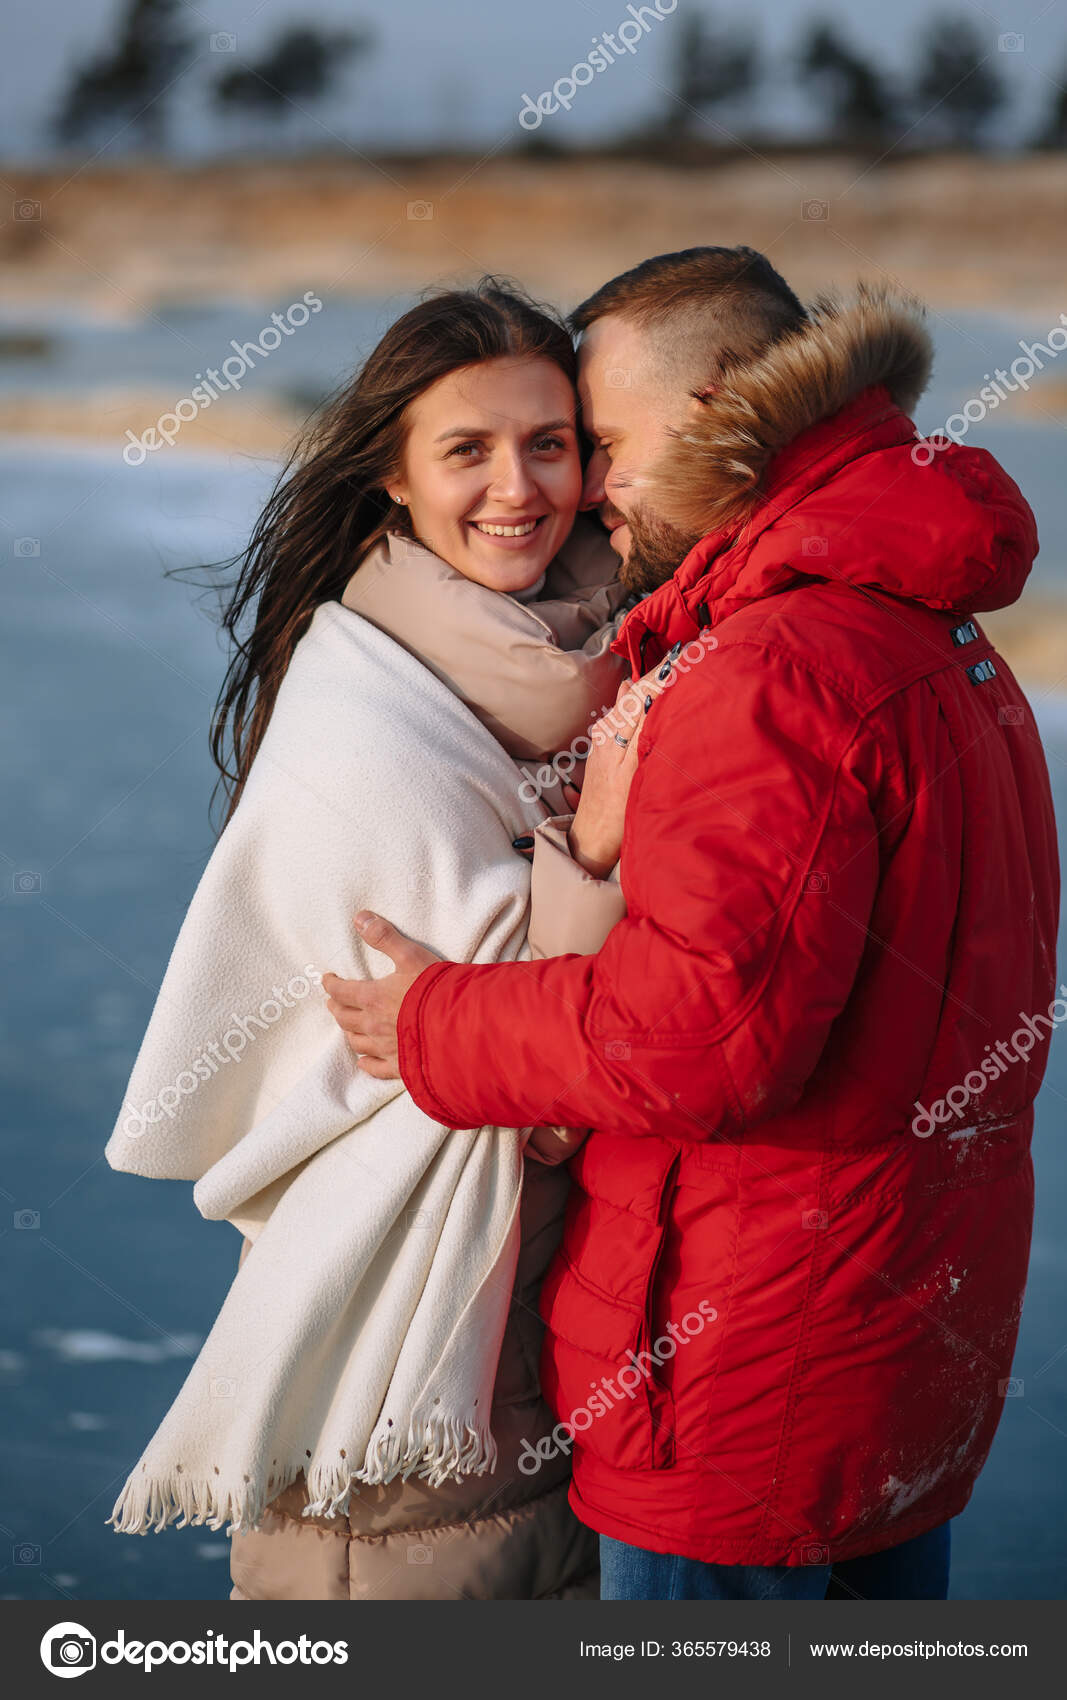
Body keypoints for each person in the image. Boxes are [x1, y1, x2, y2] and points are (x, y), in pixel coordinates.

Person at [321, 247, 1061, 1602]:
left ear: (717, 405)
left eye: (601, 443)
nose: (589, 487)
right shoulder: (937, 633)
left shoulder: (773, 669)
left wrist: (439, 1021)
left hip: (745, 1389)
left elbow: (697, 1041)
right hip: (897, 1350)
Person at [198, 277, 638, 1600]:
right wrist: (598, 852)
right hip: (408, 1287)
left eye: (548, 443)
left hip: (551, 1301)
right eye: (467, 450)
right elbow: (496, 1062)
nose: (519, 486)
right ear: (390, 476)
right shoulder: (364, 715)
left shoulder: (580, 663)